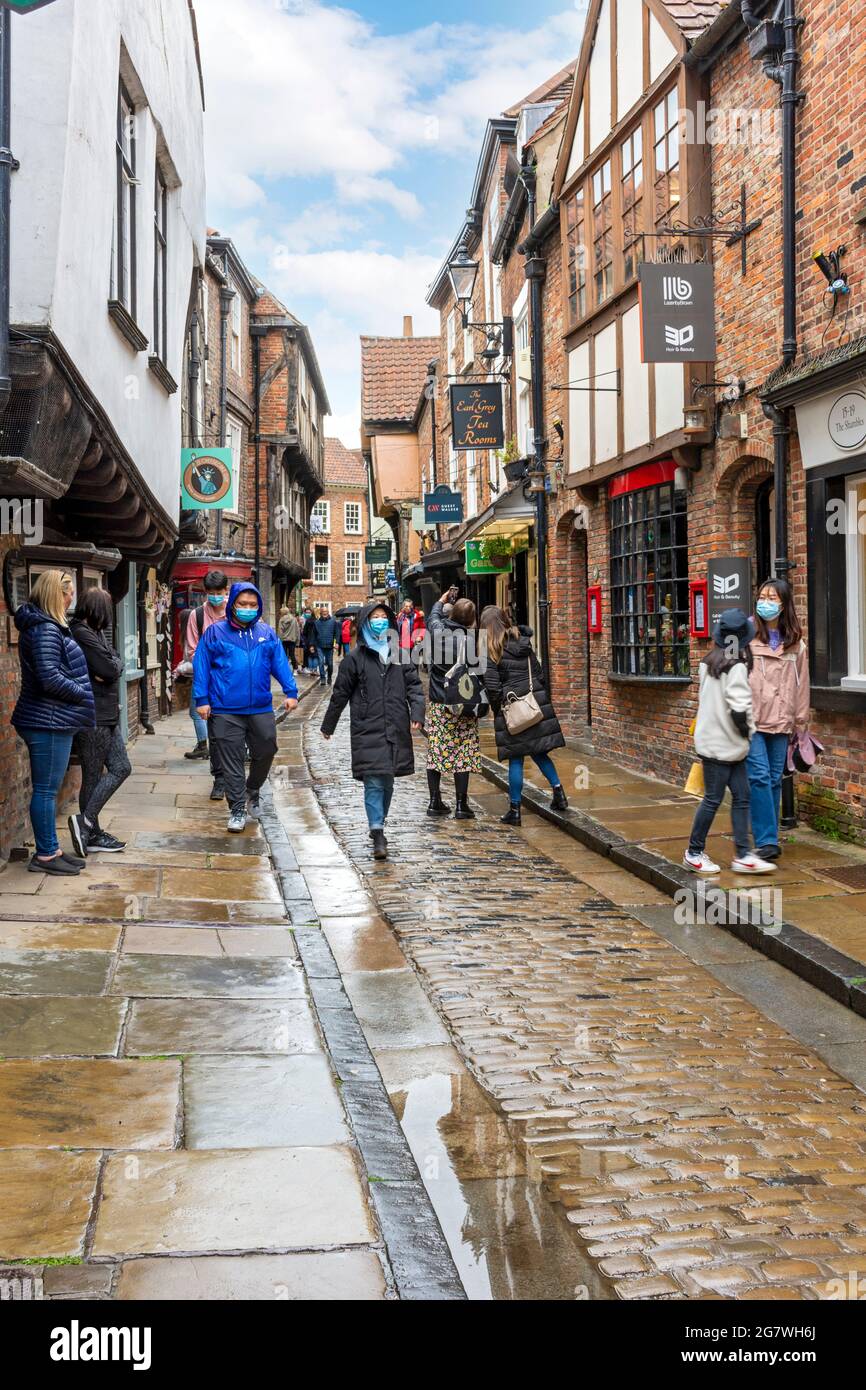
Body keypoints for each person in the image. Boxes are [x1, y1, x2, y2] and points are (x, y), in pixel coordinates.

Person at [320, 601, 425, 860]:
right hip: (367, 726)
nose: (379, 621)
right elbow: (340, 693)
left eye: (383, 617)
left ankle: (380, 820)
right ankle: (377, 831)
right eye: (374, 617)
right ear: (366, 622)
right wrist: (328, 725)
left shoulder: (401, 654)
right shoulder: (354, 658)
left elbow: (414, 686)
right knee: (374, 780)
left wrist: (418, 713)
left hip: (396, 725)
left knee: (387, 780)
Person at [193, 581, 299, 832]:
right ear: (233, 605)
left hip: (260, 707)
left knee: (267, 748)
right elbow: (201, 665)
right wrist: (201, 699)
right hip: (225, 708)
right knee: (232, 760)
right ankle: (238, 808)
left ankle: (253, 788)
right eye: (242, 604)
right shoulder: (215, 633)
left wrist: (291, 691)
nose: (247, 608)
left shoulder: (266, 633)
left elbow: (280, 663)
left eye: (252, 605)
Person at [11, 571, 95, 875]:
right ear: (53, 594)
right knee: (46, 791)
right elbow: (49, 678)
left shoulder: (45, 627)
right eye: (67, 592)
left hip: (51, 717)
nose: (71, 597)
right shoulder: (46, 629)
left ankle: (52, 848)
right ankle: (46, 855)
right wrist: (82, 692)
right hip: (46, 719)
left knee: (47, 788)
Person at [684, 608, 776, 876]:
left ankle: (744, 855)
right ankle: (693, 852)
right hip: (725, 744)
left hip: (718, 743)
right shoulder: (735, 666)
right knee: (713, 799)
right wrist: (748, 732)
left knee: (742, 796)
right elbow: (738, 708)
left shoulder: (709, 660)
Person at [479, 606, 567, 826]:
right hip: (533, 705)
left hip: (513, 710)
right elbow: (538, 673)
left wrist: (499, 708)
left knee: (516, 759)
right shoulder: (523, 642)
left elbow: (492, 685)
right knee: (539, 752)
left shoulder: (491, 649)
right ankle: (559, 794)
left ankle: (515, 811)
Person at [746, 577, 810, 862]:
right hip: (753, 720)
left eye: (772, 598)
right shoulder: (746, 634)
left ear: (784, 605)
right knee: (759, 777)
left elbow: (802, 684)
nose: (766, 603)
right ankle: (767, 840)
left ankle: (765, 837)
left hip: (782, 721)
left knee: (774, 779)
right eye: (762, 597)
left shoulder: (796, 643)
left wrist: (801, 720)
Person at [67, 588, 131, 856]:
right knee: (94, 775)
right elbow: (108, 669)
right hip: (92, 716)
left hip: (107, 714)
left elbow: (116, 663)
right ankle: (88, 827)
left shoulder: (96, 633)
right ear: (99, 609)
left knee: (121, 767)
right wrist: (112, 667)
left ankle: (88, 825)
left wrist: (113, 666)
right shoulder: (81, 633)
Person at [425, 590, 483, 820]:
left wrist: (441, 600)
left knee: (436, 750)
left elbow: (433, 617)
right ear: (470, 619)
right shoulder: (470, 641)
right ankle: (461, 805)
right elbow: (478, 672)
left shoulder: (438, 632)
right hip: (462, 703)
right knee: (463, 751)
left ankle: (434, 801)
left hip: (439, 702)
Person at [183, 572, 230, 806]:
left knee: (236, 732)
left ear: (226, 591)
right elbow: (192, 651)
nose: (215, 598)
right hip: (210, 681)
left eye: (219, 594)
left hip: (235, 682)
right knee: (216, 733)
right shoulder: (197, 616)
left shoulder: (236, 610)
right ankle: (219, 779)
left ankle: (235, 777)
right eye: (210, 594)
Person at [313, 607, 340, 686]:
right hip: (319, 645)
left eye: (326, 611)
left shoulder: (333, 622)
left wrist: (337, 643)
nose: (325, 613)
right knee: (321, 662)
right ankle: (322, 678)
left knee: (330, 664)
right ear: (321, 612)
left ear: (328, 612)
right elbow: (313, 635)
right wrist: (312, 645)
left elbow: (337, 633)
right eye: (323, 611)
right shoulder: (316, 623)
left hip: (329, 645)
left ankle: (329, 677)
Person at [278, 604, 300, 671]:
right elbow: (297, 630)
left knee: (284, 655)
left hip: (284, 640)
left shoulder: (281, 620)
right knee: (292, 655)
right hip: (292, 639)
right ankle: (295, 669)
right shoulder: (294, 619)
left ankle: (285, 669)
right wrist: (297, 641)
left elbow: (280, 631)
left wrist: (280, 639)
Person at [302, 606, 319, 675]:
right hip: (316, 640)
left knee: (309, 655)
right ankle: (314, 670)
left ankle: (310, 669)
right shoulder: (317, 621)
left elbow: (304, 632)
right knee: (315, 655)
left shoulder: (308, 621)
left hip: (308, 640)